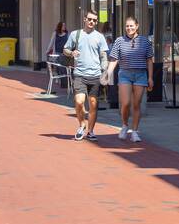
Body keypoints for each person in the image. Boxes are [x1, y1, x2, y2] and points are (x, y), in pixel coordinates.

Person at [107, 17, 154, 142]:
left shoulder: (145, 41)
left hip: (141, 75)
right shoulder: (119, 41)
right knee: (126, 103)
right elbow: (114, 59)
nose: (129, 28)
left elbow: (149, 60)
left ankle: (134, 131)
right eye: (127, 26)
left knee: (137, 104)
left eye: (131, 26)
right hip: (125, 74)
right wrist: (108, 73)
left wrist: (150, 77)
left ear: (137, 26)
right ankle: (124, 125)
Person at [64, 11, 110, 141]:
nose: (92, 22)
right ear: (84, 19)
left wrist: (105, 71)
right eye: (89, 19)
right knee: (79, 102)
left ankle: (90, 131)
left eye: (94, 20)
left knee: (94, 104)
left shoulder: (100, 37)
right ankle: (81, 125)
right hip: (80, 74)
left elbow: (103, 56)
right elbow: (65, 49)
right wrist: (71, 52)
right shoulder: (75, 34)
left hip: (95, 75)